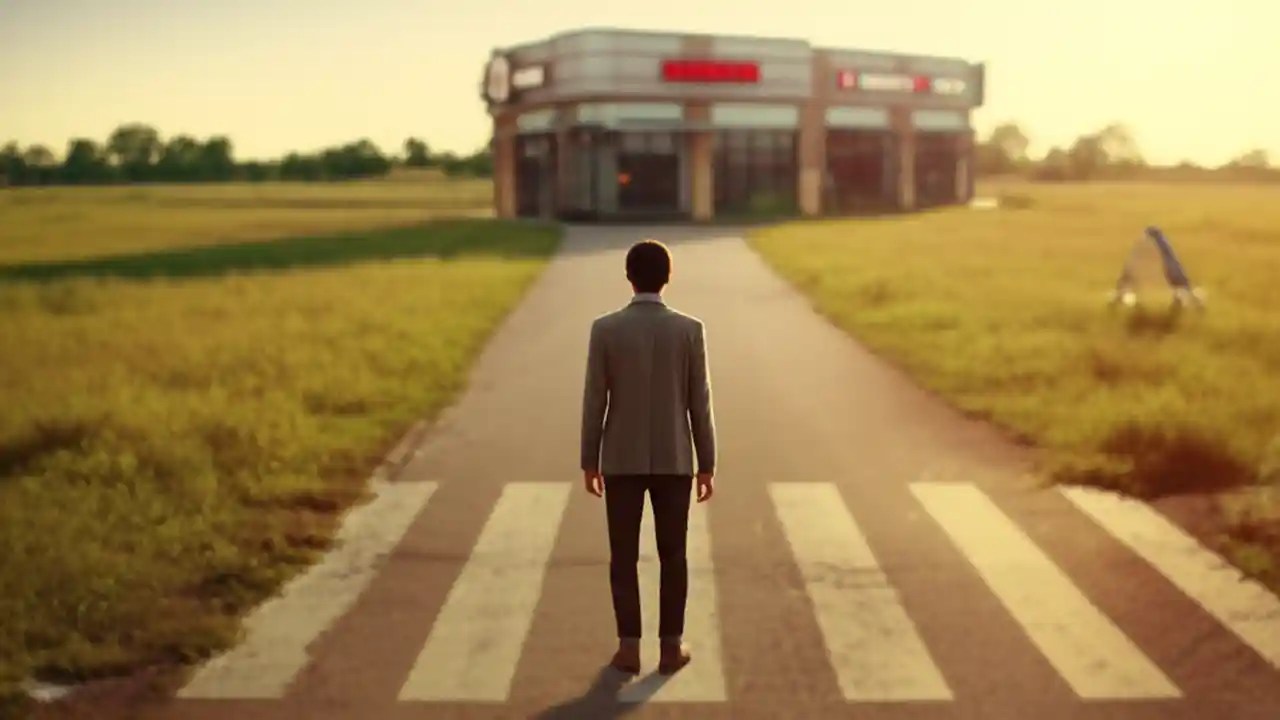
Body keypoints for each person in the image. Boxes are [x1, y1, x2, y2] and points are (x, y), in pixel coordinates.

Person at [580, 239, 717, 676]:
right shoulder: (689, 329)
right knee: (673, 554)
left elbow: (593, 400)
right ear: (668, 276)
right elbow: (700, 402)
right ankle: (670, 648)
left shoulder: (605, 329)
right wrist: (707, 462)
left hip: (620, 457)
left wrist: (589, 458)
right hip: (676, 459)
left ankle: (628, 648)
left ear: (628, 275)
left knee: (622, 555)